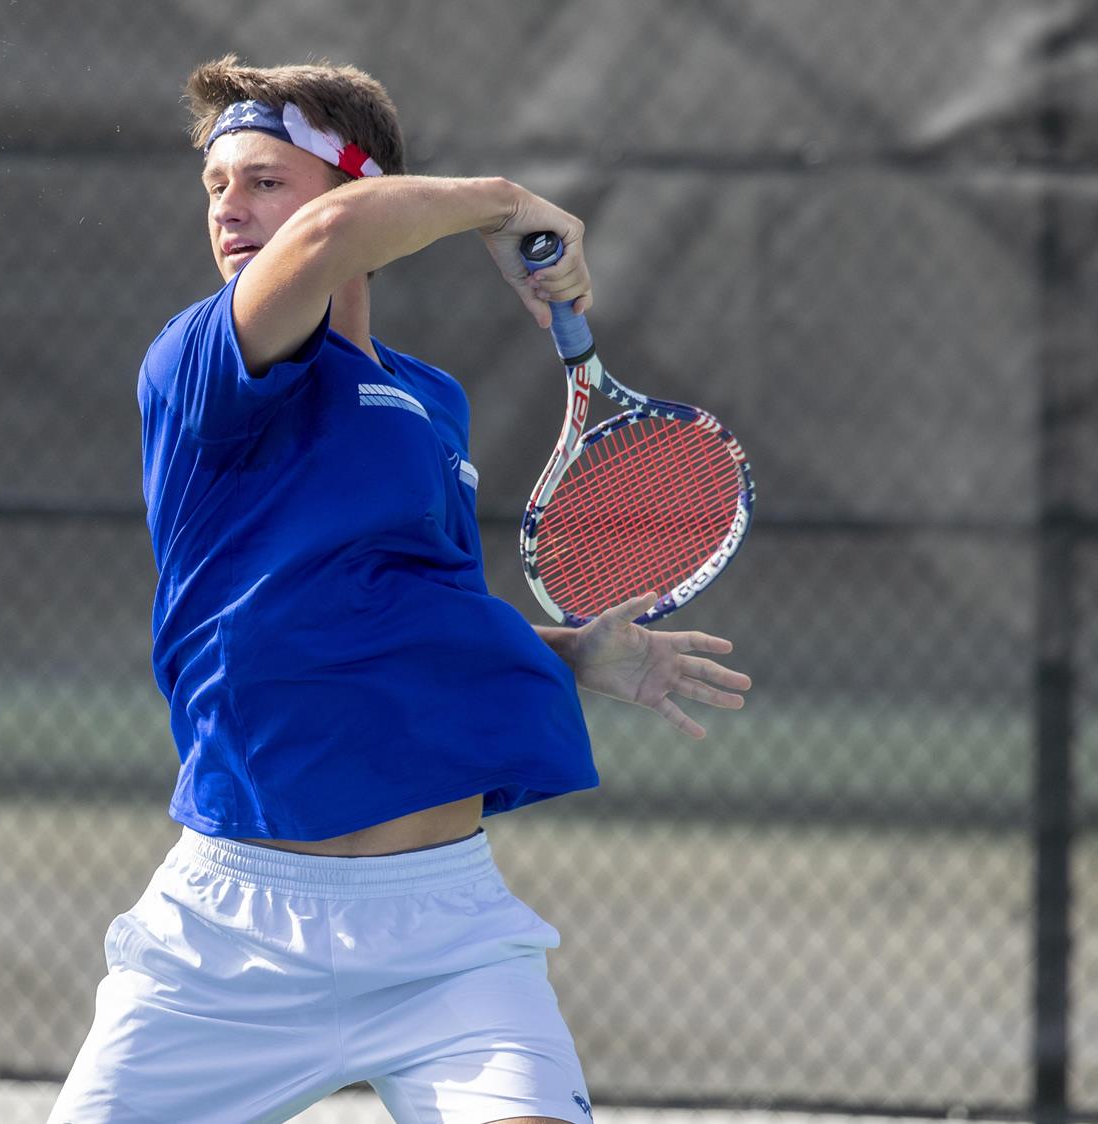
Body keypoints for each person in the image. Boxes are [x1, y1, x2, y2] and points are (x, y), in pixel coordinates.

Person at [49, 56, 752, 1124]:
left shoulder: (430, 401)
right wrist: (503, 205)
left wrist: (564, 652)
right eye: (215, 187)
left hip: (444, 931)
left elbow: (397, 607)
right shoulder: (199, 357)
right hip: (228, 934)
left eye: (263, 181)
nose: (228, 207)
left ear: (355, 182)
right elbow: (329, 244)